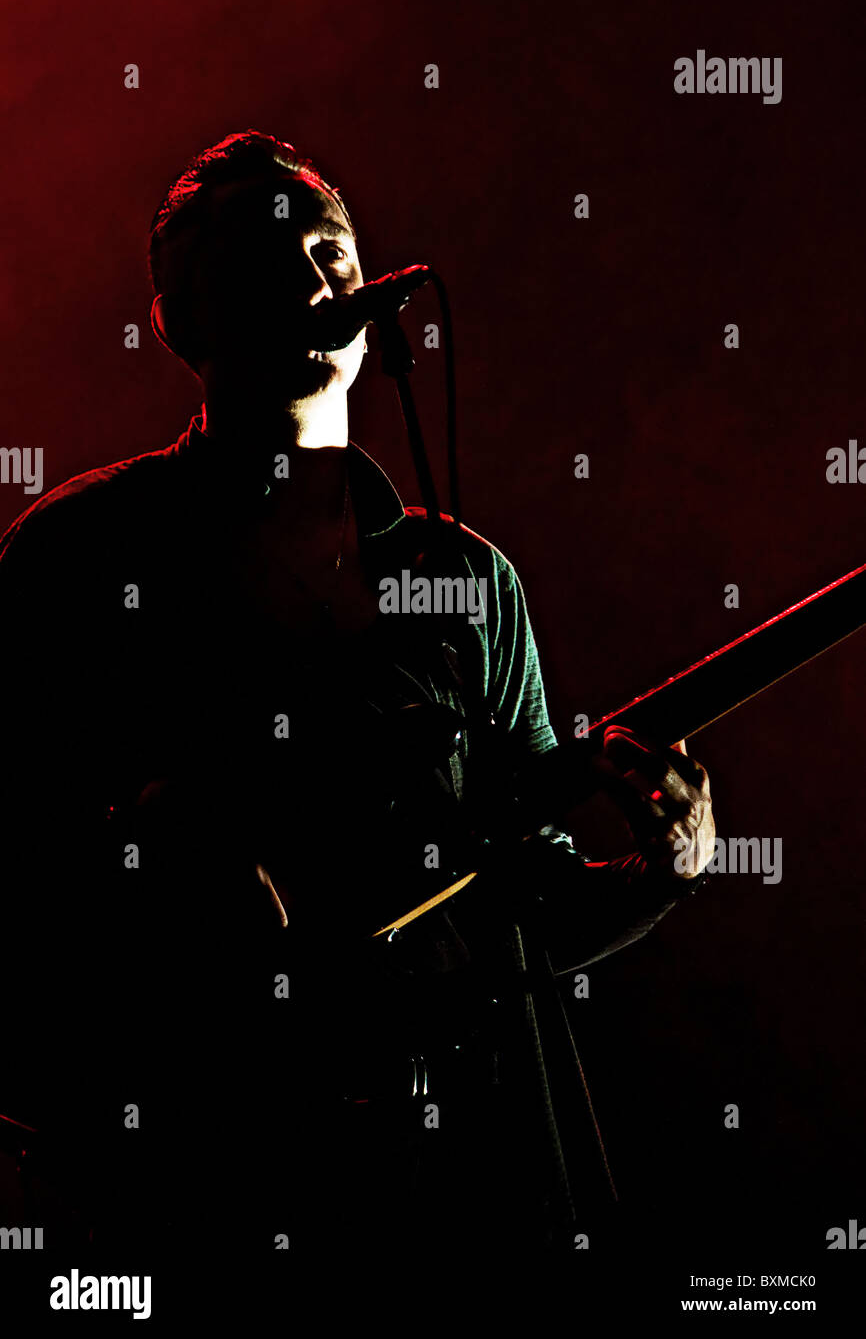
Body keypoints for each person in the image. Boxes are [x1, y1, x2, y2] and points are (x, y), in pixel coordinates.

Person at [0, 131, 714, 1278]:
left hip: (461, 1195)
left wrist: (664, 869)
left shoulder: (465, 576)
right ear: (180, 321)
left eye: (328, 248)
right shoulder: (80, 556)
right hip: (207, 1200)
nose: (307, 278)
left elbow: (526, 903)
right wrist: (151, 882)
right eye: (256, 254)